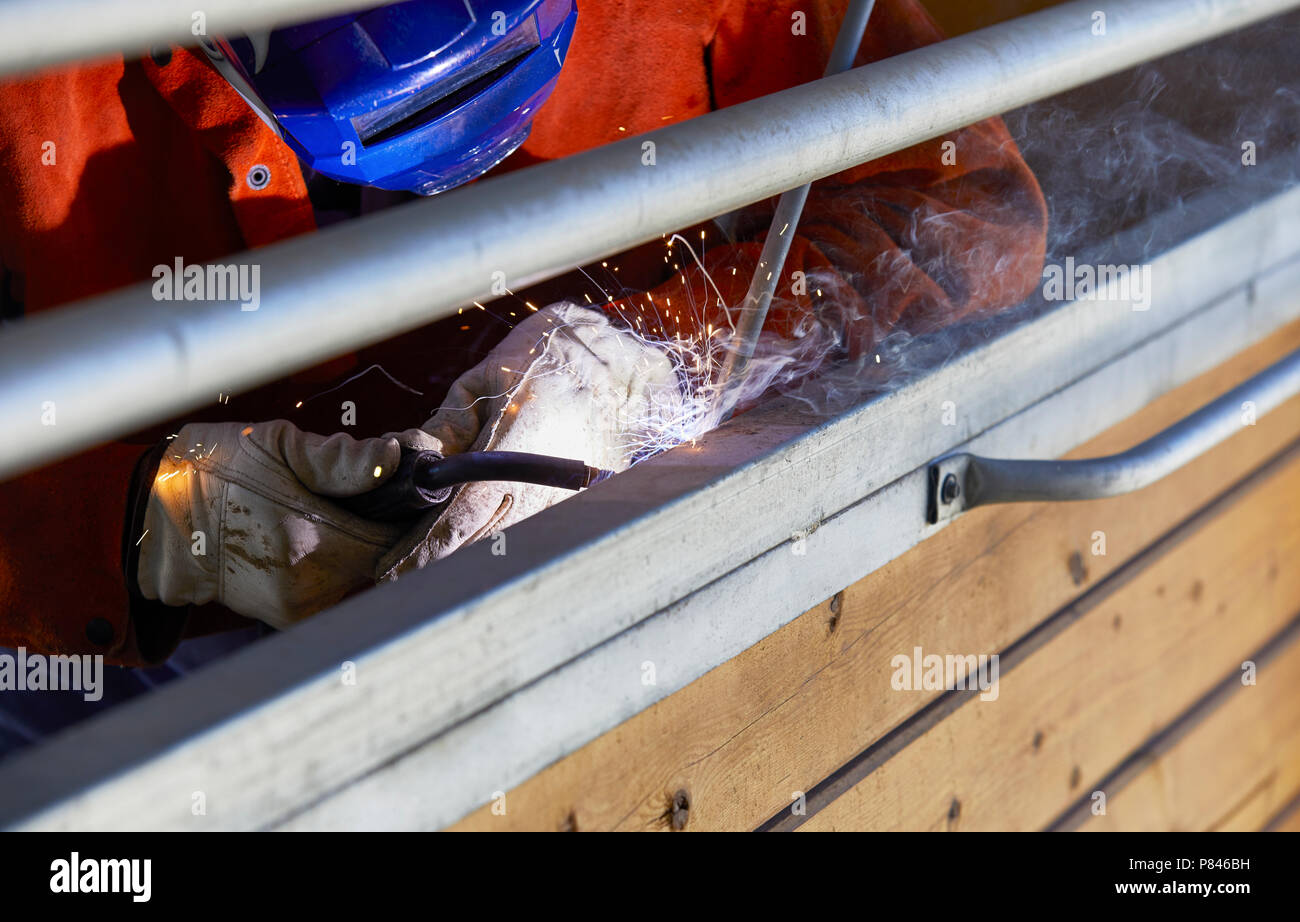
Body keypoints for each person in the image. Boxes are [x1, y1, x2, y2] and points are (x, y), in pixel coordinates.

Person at [0, 0, 1046, 666]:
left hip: (604, 592)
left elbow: (973, 210)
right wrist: (155, 524)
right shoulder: (35, 62)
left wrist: (649, 360)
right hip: (157, 665)